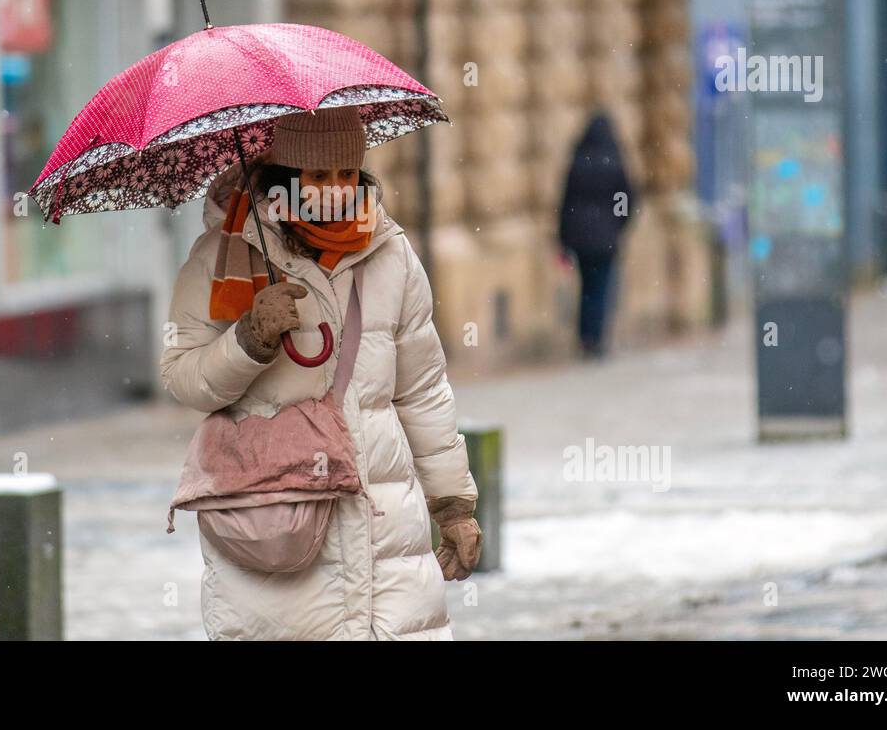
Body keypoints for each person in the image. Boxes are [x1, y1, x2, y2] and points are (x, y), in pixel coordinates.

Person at [160, 105, 482, 640]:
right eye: (315, 176)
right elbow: (183, 379)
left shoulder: (392, 254)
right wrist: (249, 339)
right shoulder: (224, 254)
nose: (335, 189)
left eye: (347, 174)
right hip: (280, 532)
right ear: (283, 178)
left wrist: (452, 506)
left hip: (386, 534)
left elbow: (422, 392)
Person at [557, 111, 634, 359]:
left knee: (586, 287)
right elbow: (627, 198)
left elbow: (565, 202)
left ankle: (585, 337)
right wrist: (618, 224)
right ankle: (596, 339)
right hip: (606, 238)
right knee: (601, 288)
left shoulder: (578, 162)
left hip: (581, 239)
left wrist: (564, 238)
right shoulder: (614, 161)